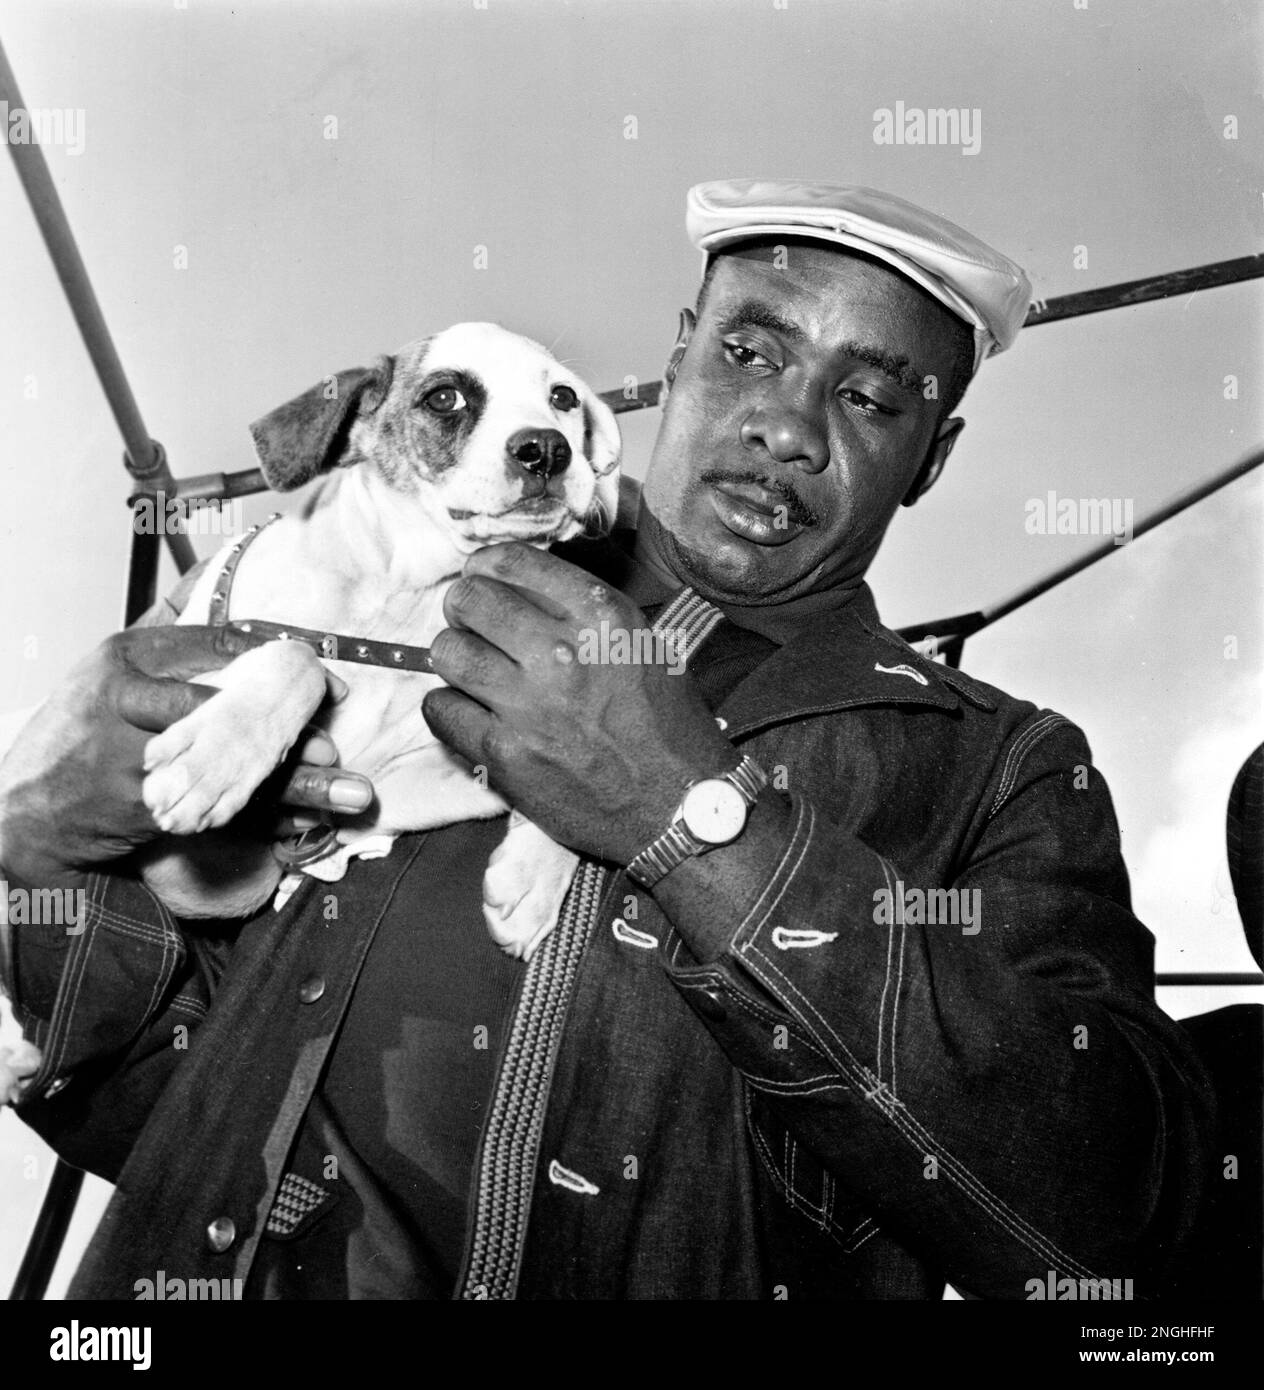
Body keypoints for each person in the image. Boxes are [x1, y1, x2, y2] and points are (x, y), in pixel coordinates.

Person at [0, 179, 1214, 1300]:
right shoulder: (374, 617)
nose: (788, 425)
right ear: (677, 353)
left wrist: (694, 820)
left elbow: (1115, 1216)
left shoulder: (995, 767)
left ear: (930, 458)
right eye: (748, 350)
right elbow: (137, 1087)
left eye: (869, 395)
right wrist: (41, 850)